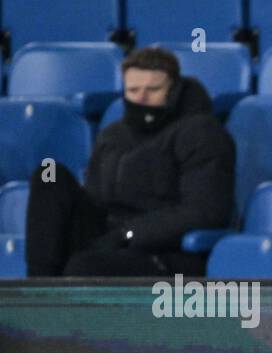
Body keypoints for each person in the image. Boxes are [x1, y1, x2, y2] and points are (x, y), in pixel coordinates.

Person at [25, 46, 235, 277]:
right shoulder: (113, 135)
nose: (142, 98)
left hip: (167, 251)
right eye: (133, 90)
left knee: (86, 267)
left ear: (173, 90)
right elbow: (95, 201)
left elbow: (205, 211)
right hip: (112, 241)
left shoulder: (201, 132)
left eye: (153, 89)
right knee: (49, 173)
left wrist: (130, 233)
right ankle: (38, 287)